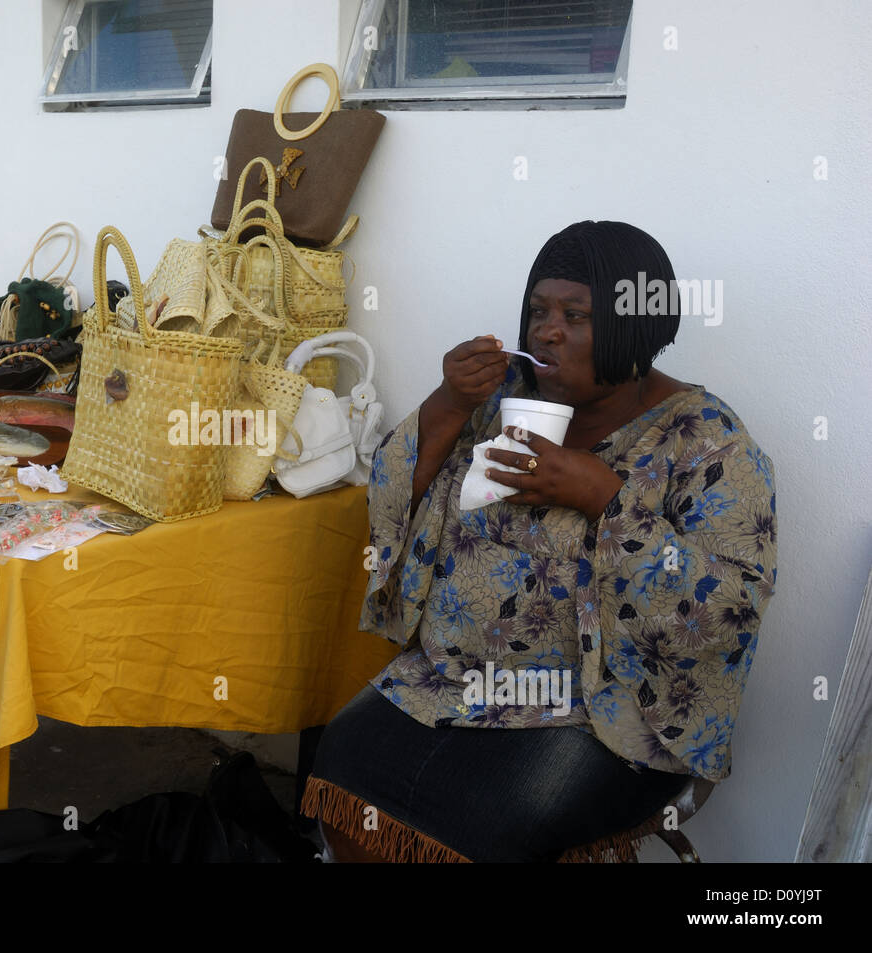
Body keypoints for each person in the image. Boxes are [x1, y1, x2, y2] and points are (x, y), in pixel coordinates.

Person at [301, 221, 778, 863]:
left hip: (600, 709)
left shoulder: (708, 443)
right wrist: (446, 403)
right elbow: (391, 500)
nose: (545, 332)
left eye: (574, 315)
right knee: (344, 757)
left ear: (634, 326)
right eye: (537, 311)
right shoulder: (501, 400)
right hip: (454, 677)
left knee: (500, 812)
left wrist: (608, 501)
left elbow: (729, 613)